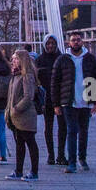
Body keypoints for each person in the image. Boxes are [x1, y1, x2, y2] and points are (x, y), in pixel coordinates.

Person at [51, 31, 96, 173]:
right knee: (72, 130)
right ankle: (72, 162)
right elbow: (55, 82)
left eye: (78, 40)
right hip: (69, 101)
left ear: (82, 42)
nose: (76, 42)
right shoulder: (63, 59)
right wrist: (56, 103)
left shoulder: (90, 59)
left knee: (84, 131)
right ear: (69, 43)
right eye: (73, 40)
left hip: (86, 100)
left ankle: (82, 158)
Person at [6, 49, 42, 181]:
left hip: (25, 116)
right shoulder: (15, 75)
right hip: (16, 117)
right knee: (19, 144)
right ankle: (18, 170)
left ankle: (34, 172)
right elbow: (11, 96)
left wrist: (16, 109)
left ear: (22, 61)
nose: (13, 61)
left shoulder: (27, 76)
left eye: (16, 59)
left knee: (30, 143)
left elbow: (28, 96)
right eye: (13, 59)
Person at [35, 34, 66, 165]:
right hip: (47, 98)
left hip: (60, 97)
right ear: (44, 45)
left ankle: (61, 155)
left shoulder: (63, 59)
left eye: (53, 43)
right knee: (48, 127)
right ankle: (51, 155)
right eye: (48, 43)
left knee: (62, 127)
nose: (50, 45)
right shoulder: (40, 60)